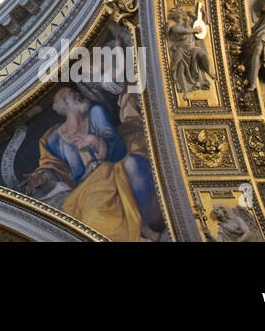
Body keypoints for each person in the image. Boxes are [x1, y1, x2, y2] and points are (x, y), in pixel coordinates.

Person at [21, 87, 162, 241]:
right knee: (93, 214)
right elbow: (54, 168)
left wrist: (96, 141)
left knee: (133, 169)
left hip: (112, 168)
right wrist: (43, 176)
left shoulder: (95, 112)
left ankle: (145, 230)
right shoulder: (52, 139)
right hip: (88, 186)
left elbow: (117, 147)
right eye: (71, 95)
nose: (78, 94)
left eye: (77, 93)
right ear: (64, 107)